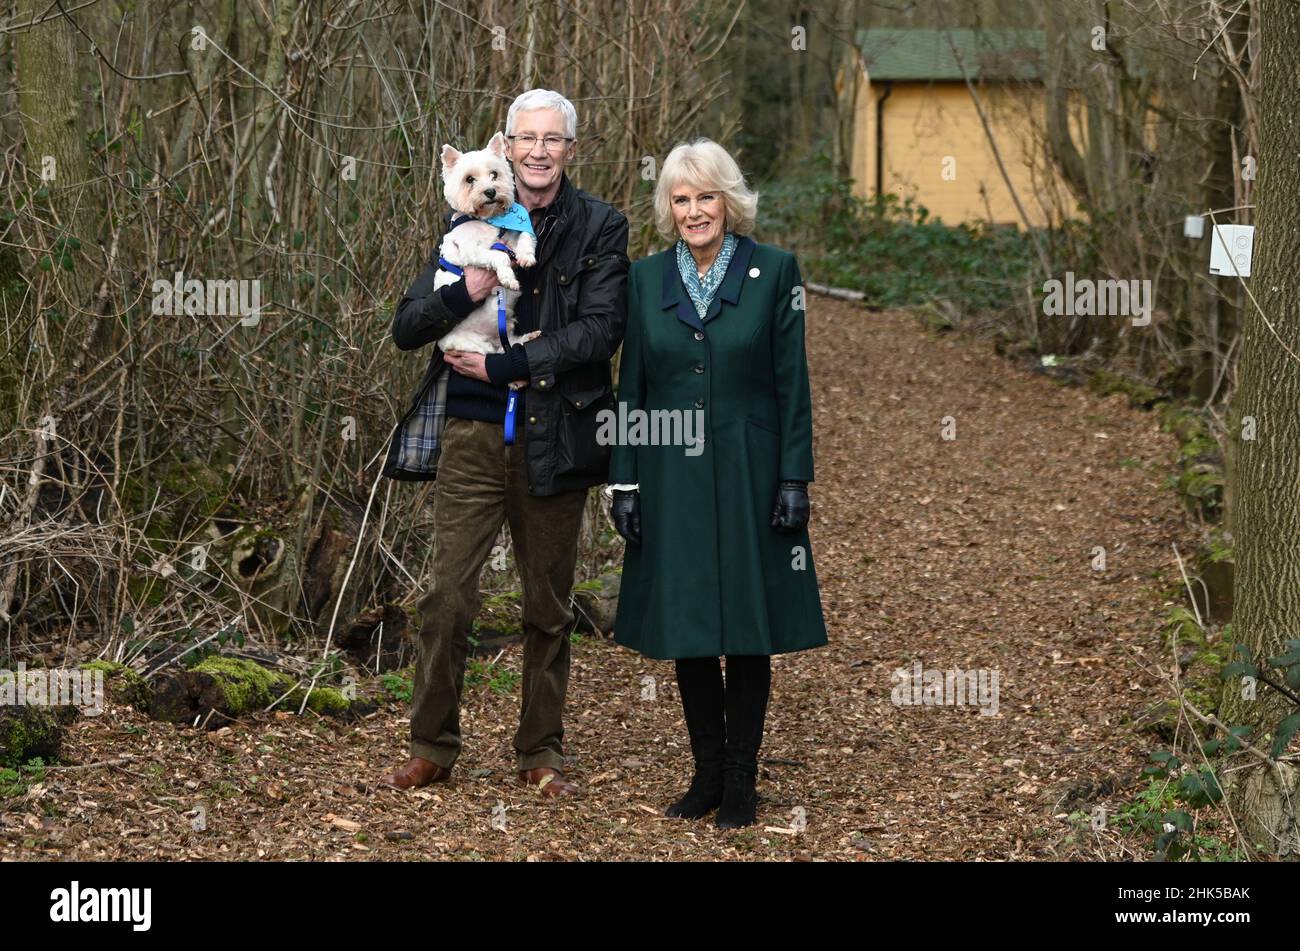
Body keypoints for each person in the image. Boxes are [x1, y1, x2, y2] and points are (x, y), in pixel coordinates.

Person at [380, 89, 629, 797]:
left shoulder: (600, 227)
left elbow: (599, 332)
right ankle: (431, 745)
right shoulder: (464, 224)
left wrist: (507, 363)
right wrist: (468, 292)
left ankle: (540, 751)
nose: (539, 151)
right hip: (470, 429)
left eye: (553, 139)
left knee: (547, 605)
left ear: (570, 151)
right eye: (527, 139)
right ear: (508, 149)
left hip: (556, 433)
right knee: (447, 598)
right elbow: (407, 326)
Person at [607, 138, 828, 828]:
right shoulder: (645, 280)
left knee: (747, 627)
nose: (694, 210)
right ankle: (704, 775)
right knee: (692, 624)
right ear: (668, 207)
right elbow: (632, 389)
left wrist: (795, 475)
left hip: (749, 470)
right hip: (670, 476)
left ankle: (741, 780)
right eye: (681, 198)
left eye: (706, 196)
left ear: (729, 201)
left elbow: (793, 385)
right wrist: (624, 482)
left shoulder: (775, 270)